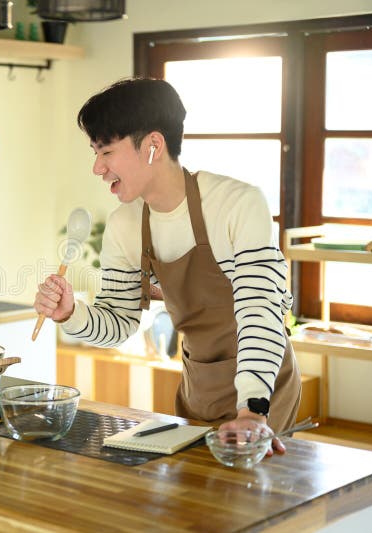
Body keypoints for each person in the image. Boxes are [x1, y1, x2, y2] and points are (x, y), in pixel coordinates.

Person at [34, 77, 301, 454]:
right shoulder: (126, 224)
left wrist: (253, 408)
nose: (98, 167)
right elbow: (118, 322)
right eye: (95, 153)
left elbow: (261, 312)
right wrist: (70, 313)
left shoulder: (238, 204)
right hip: (199, 385)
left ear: (153, 146)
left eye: (106, 151)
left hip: (264, 387)